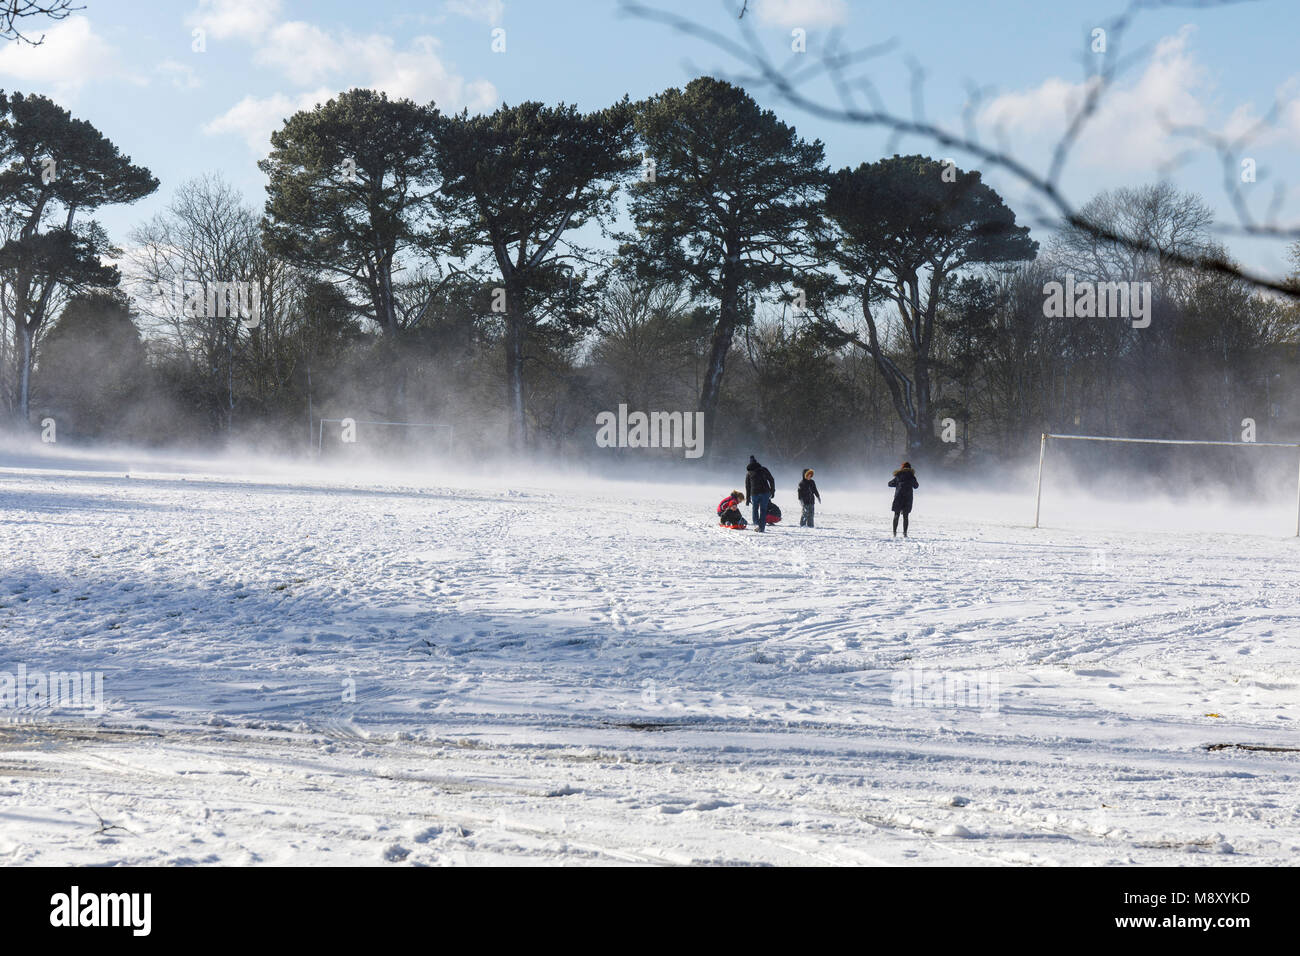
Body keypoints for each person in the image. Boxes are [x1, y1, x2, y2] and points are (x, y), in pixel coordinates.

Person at [745, 455, 776, 532]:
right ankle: (761, 528)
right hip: (765, 492)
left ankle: (756, 525)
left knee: (755, 509)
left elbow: (747, 486)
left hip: (754, 493)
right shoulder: (764, 469)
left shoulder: (749, 473)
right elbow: (771, 479)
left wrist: (748, 498)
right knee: (763, 510)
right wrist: (772, 491)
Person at [888, 461, 918, 537]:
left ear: (902, 468)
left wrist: (897, 485)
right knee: (905, 516)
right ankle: (905, 533)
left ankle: (894, 532)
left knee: (896, 514)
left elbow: (890, 484)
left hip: (898, 497)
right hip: (908, 498)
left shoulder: (898, 475)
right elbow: (916, 486)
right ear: (910, 468)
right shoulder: (912, 476)